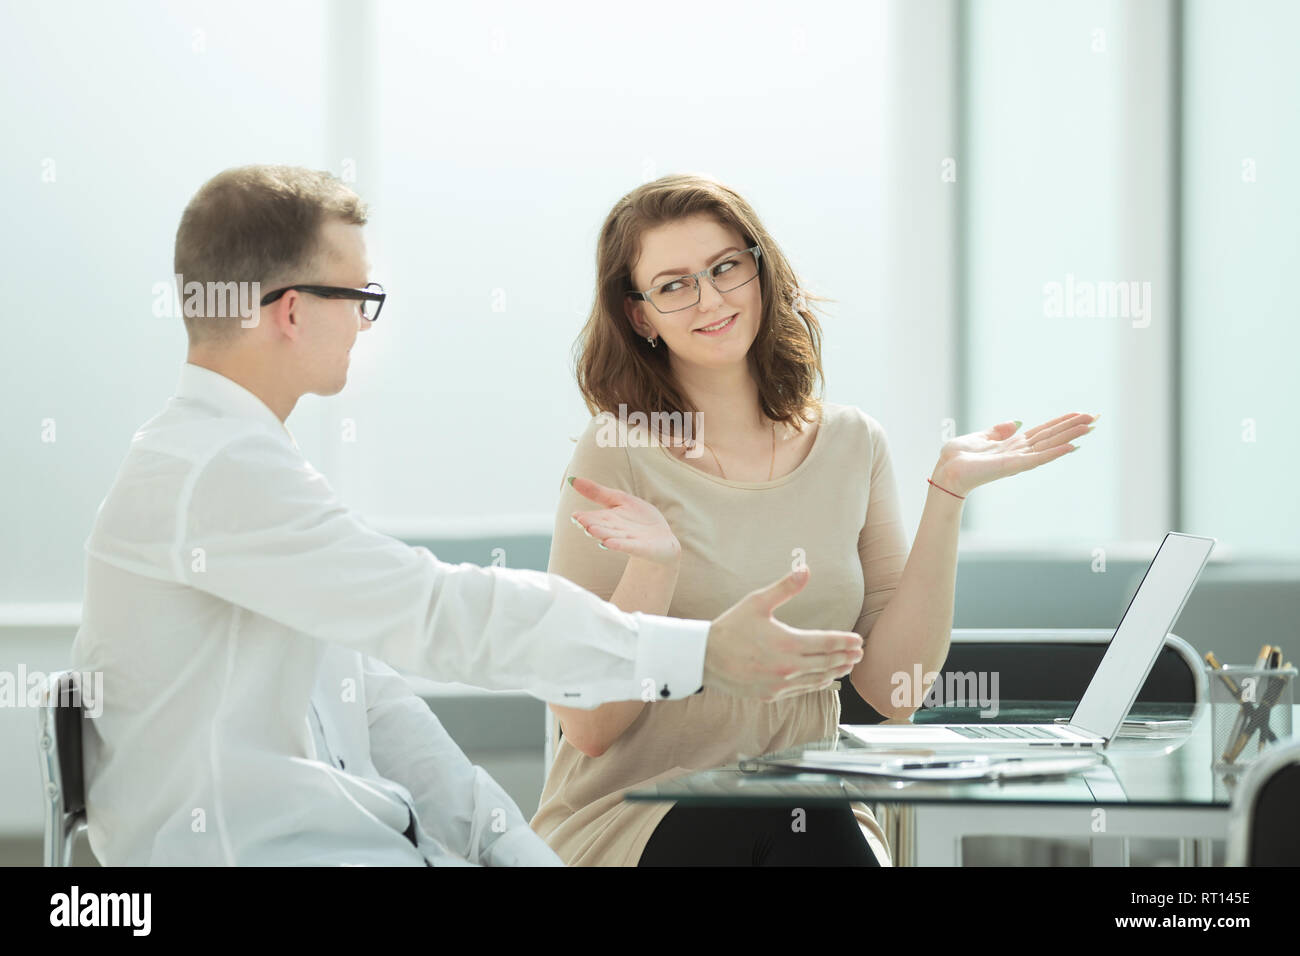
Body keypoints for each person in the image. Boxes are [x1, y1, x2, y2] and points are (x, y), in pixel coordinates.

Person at [68, 165, 865, 866]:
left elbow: (377, 708)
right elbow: (442, 611)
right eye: (360, 297)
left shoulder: (247, 465)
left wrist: (510, 846)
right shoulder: (212, 474)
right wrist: (700, 654)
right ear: (290, 312)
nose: (364, 324)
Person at [530, 173, 1097, 866]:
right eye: (674, 285)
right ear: (641, 315)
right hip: (637, 819)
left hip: (813, 811)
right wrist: (654, 568)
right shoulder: (617, 449)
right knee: (802, 815)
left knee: (812, 813)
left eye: (726, 268)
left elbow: (892, 691)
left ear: (760, 271)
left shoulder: (852, 445)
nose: (710, 298)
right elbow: (588, 727)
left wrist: (947, 496)